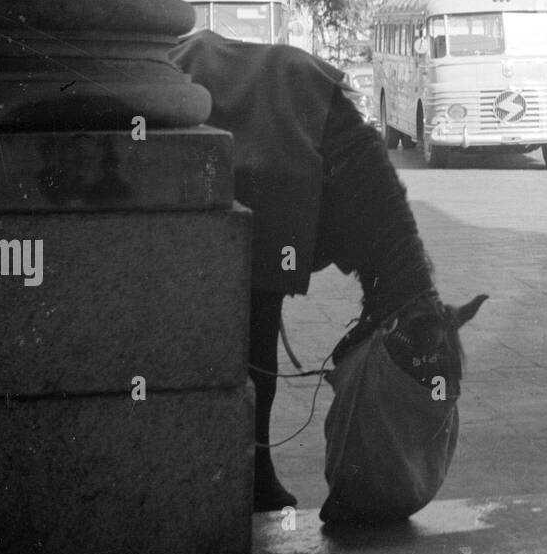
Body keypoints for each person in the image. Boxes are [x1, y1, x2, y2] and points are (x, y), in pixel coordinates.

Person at [171, 30, 467, 512]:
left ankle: (249, 470)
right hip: (277, 145)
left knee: (258, 338)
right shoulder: (338, 165)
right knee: (258, 347)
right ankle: (254, 475)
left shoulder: (355, 169)